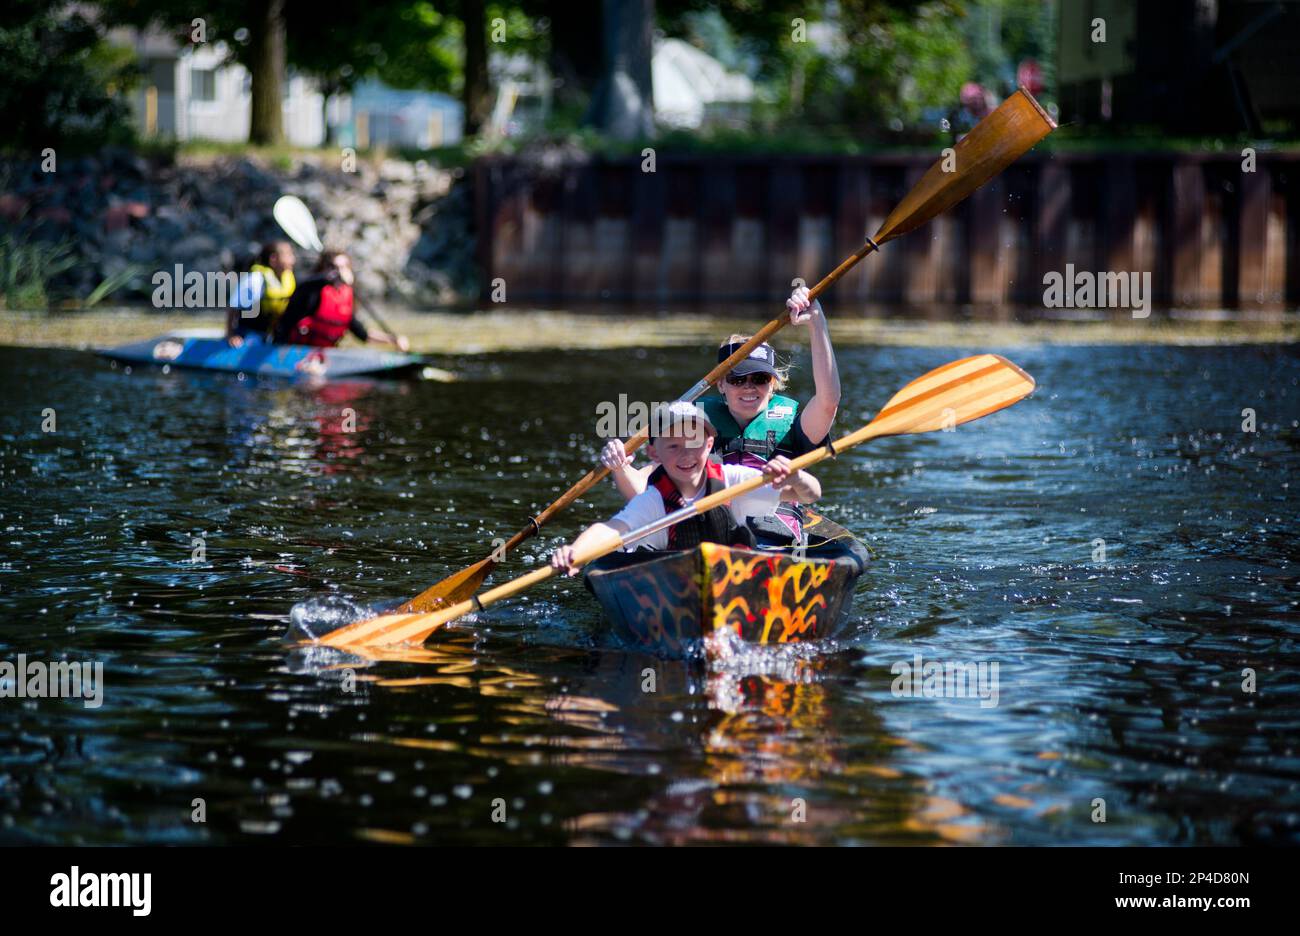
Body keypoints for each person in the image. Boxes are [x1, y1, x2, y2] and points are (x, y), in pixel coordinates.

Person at [598, 283, 840, 543]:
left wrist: (817, 324)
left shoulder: (793, 424)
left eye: (759, 378)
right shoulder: (694, 429)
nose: (749, 387)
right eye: (737, 379)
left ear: (772, 386)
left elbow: (828, 402)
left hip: (772, 536)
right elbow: (642, 493)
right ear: (721, 384)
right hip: (708, 533)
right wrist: (620, 467)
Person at [550, 402, 820, 575]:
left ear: (709, 446)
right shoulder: (653, 501)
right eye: (673, 446)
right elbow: (611, 529)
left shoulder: (732, 480)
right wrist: (576, 552)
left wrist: (796, 477)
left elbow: (810, 494)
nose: (686, 455)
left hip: (733, 578)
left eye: (694, 443)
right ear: (654, 453)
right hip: (676, 584)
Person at [273, 250, 409, 350]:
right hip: (295, 350)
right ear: (324, 270)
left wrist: (392, 340)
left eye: (343, 268)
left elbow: (362, 334)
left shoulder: (345, 296)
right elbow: (304, 285)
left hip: (324, 354)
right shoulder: (310, 292)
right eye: (334, 267)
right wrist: (329, 277)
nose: (339, 272)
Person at [227, 241, 297, 346]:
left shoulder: (286, 279)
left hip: (272, 333)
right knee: (253, 343)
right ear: (273, 259)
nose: (293, 260)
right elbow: (233, 307)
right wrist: (231, 335)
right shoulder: (256, 280)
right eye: (288, 255)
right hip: (249, 333)